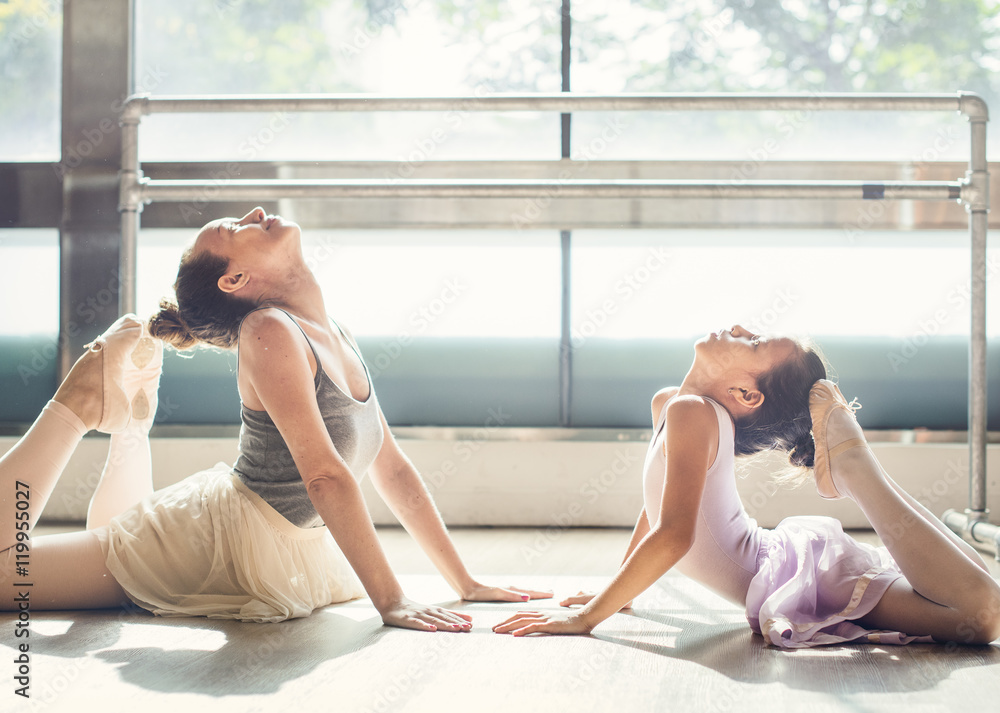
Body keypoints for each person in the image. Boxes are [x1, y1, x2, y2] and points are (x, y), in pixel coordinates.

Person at [0, 207, 549, 627]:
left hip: (275, 541)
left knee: (112, 544)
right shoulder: (268, 330)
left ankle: (128, 430)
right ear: (234, 280)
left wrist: (464, 581)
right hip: (217, 539)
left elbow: (393, 469)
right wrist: (391, 600)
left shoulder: (335, 332)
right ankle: (77, 404)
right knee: (9, 575)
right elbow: (324, 475)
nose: (256, 214)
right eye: (234, 228)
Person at [494, 325, 1000, 647]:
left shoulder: (691, 412)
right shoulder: (672, 404)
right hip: (786, 564)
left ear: (744, 393)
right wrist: (619, 592)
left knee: (981, 614)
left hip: (796, 576)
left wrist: (588, 617)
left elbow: (675, 536)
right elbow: (661, 508)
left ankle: (854, 465)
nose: (739, 328)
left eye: (753, 343)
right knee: (971, 588)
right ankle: (853, 463)